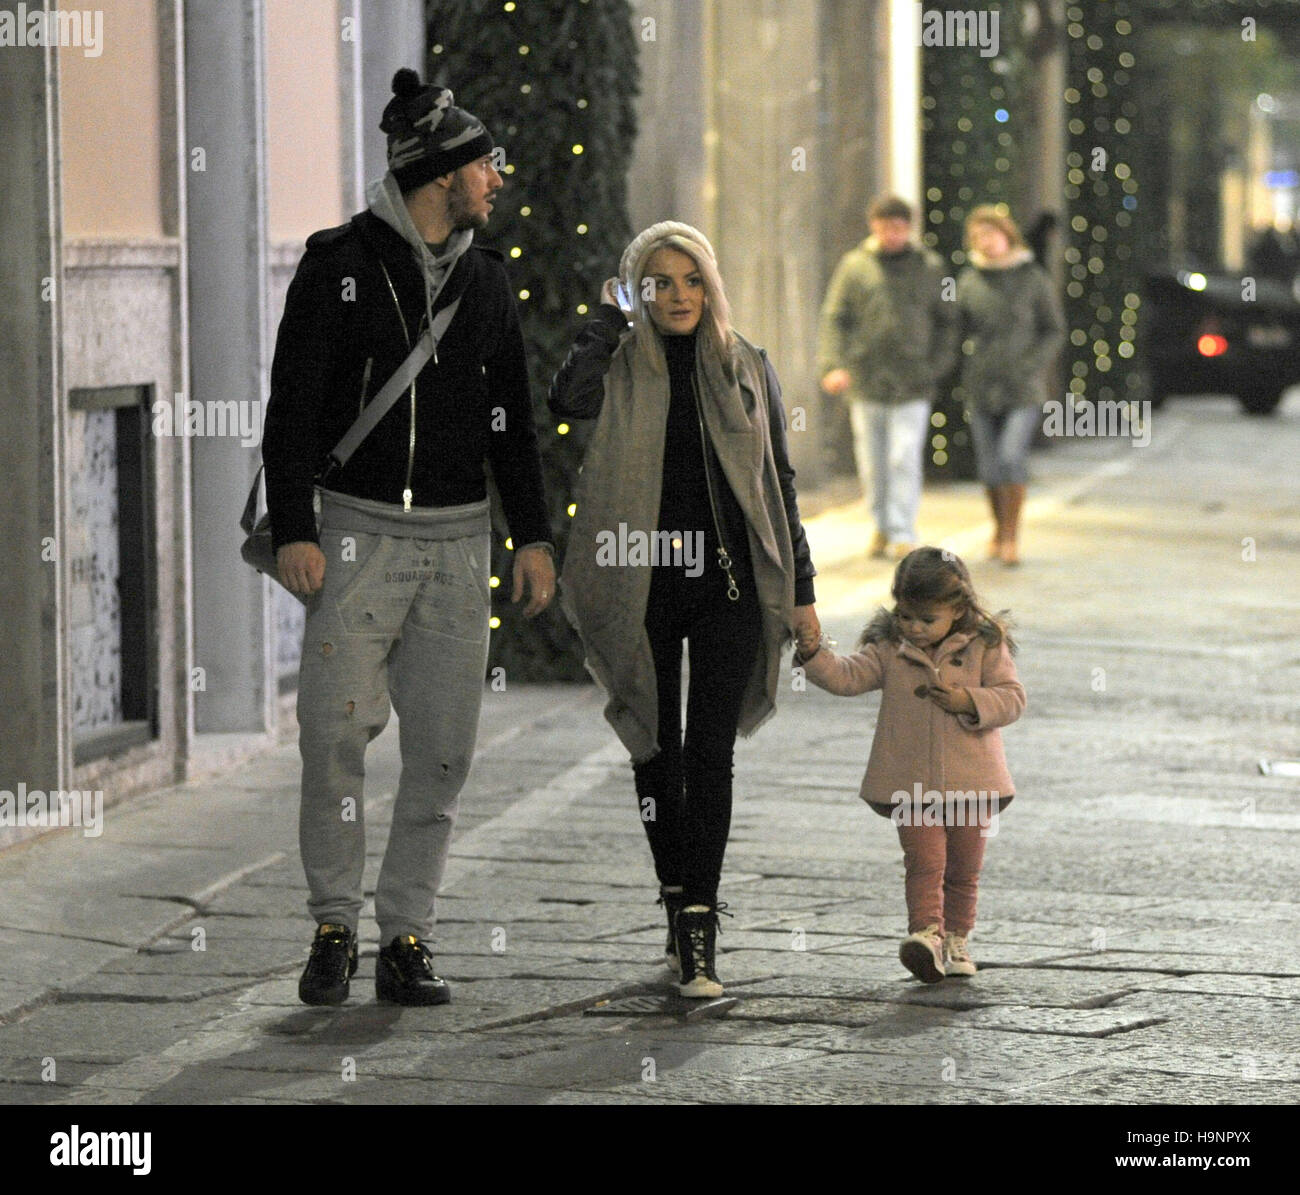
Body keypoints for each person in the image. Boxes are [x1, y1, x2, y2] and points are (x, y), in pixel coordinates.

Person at [262, 69, 556, 1007]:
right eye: (485, 164)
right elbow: (291, 409)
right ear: (440, 174)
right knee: (333, 734)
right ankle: (334, 925)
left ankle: (407, 931)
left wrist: (534, 538)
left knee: (442, 748)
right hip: (354, 534)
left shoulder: (488, 282)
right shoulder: (337, 263)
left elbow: (513, 418)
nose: (497, 179)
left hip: (459, 541)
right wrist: (297, 529)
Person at [549, 221, 819, 998]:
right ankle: (675, 899)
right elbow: (566, 398)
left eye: (692, 280)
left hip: (729, 586)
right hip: (643, 582)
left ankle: (699, 925)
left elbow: (779, 480)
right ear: (639, 290)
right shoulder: (620, 366)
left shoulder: (745, 366)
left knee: (711, 754)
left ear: (712, 285)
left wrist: (801, 591)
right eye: (660, 282)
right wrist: (605, 320)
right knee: (654, 750)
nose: (678, 296)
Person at [794, 547, 1025, 983]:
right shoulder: (888, 647)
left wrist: (969, 701)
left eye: (926, 619)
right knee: (923, 861)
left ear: (958, 610)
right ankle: (926, 935)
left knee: (964, 869)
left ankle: (956, 938)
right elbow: (847, 676)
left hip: (971, 783)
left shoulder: (984, 645)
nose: (914, 628)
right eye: (906, 616)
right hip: (909, 782)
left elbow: (1013, 697)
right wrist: (813, 654)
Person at [818, 195, 959, 560]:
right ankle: (880, 524)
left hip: (913, 381)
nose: (892, 233)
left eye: (899, 226)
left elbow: (948, 320)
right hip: (866, 380)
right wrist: (833, 364)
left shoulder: (930, 266)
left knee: (903, 456)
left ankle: (902, 529)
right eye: (885, 226)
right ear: (873, 226)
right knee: (872, 460)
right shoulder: (854, 266)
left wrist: (936, 366)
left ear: (909, 227)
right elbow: (836, 316)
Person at [956, 205, 1066, 566]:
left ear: (1007, 235)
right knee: (988, 466)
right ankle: (997, 528)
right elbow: (956, 328)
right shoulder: (969, 281)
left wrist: (1032, 363)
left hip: (1023, 387)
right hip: (981, 384)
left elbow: (1053, 329)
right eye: (977, 238)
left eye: (991, 234)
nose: (985, 243)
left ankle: (1011, 537)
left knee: (1010, 456)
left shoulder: (1033, 278)